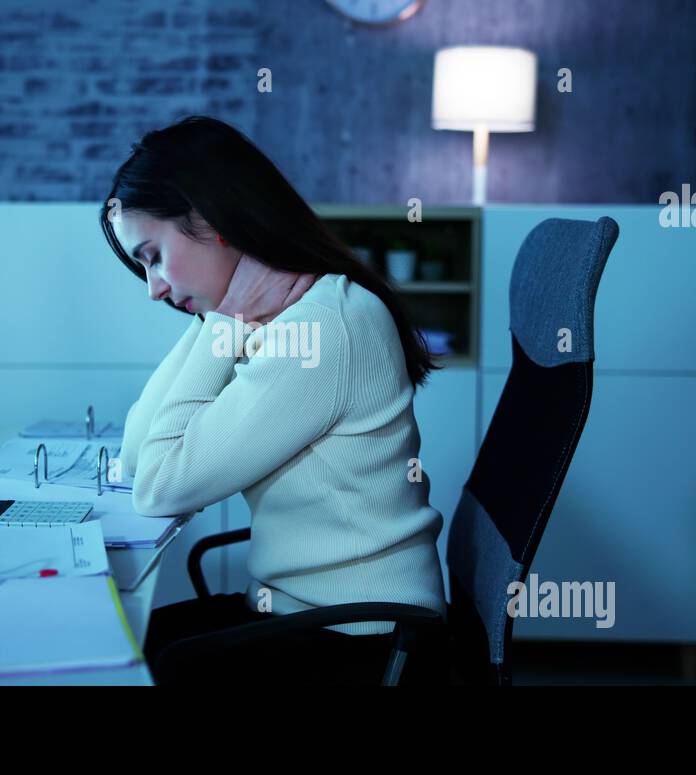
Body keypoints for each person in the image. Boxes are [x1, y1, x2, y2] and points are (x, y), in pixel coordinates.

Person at [99, 116, 447, 685]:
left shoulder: (322, 328)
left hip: (360, 642)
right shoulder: (272, 312)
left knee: (133, 665)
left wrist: (224, 322)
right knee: (120, 643)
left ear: (211, 220)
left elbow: (160, 488)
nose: (153, 287)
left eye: (153, 255)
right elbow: (137, 455)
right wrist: (220, 318)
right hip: (310, 618)